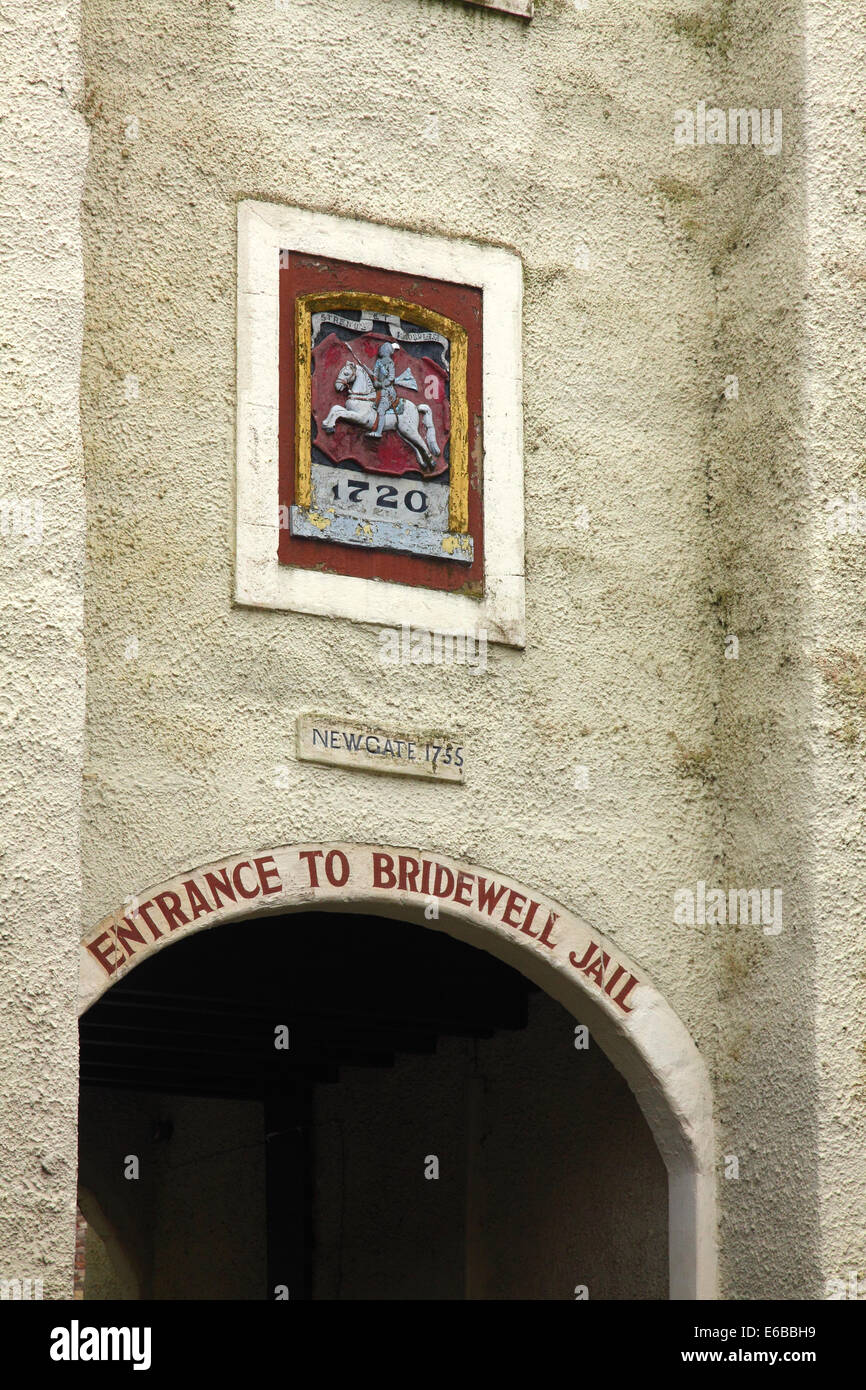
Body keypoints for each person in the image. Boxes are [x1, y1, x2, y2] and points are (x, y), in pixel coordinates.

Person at [365, 341, 400, 438]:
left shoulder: (390, 363)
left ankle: (379, 432)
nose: (382, 351)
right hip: (378, 390)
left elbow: (391, 377)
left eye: (384, 349)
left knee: (381, 410)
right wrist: (376, 381)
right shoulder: (378, 362)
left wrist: (382, 384)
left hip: (388, 391)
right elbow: (375, 374)